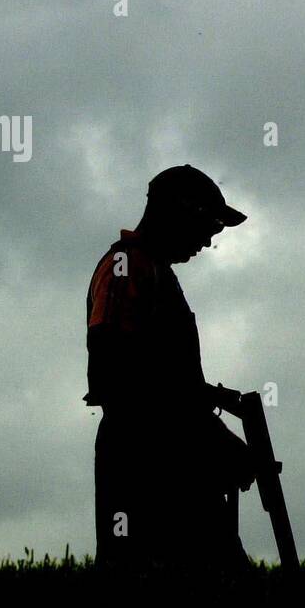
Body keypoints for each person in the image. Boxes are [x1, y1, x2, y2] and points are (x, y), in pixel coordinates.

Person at [84, 164, 252, 571]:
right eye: (209, 224)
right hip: (145, 461)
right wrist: (207, 432)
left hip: (173, 454)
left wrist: (207, 423)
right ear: (179, 212)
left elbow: (160, 377)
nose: (210, 239)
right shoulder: (128, 268)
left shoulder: (156, 271)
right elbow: (117, 372)